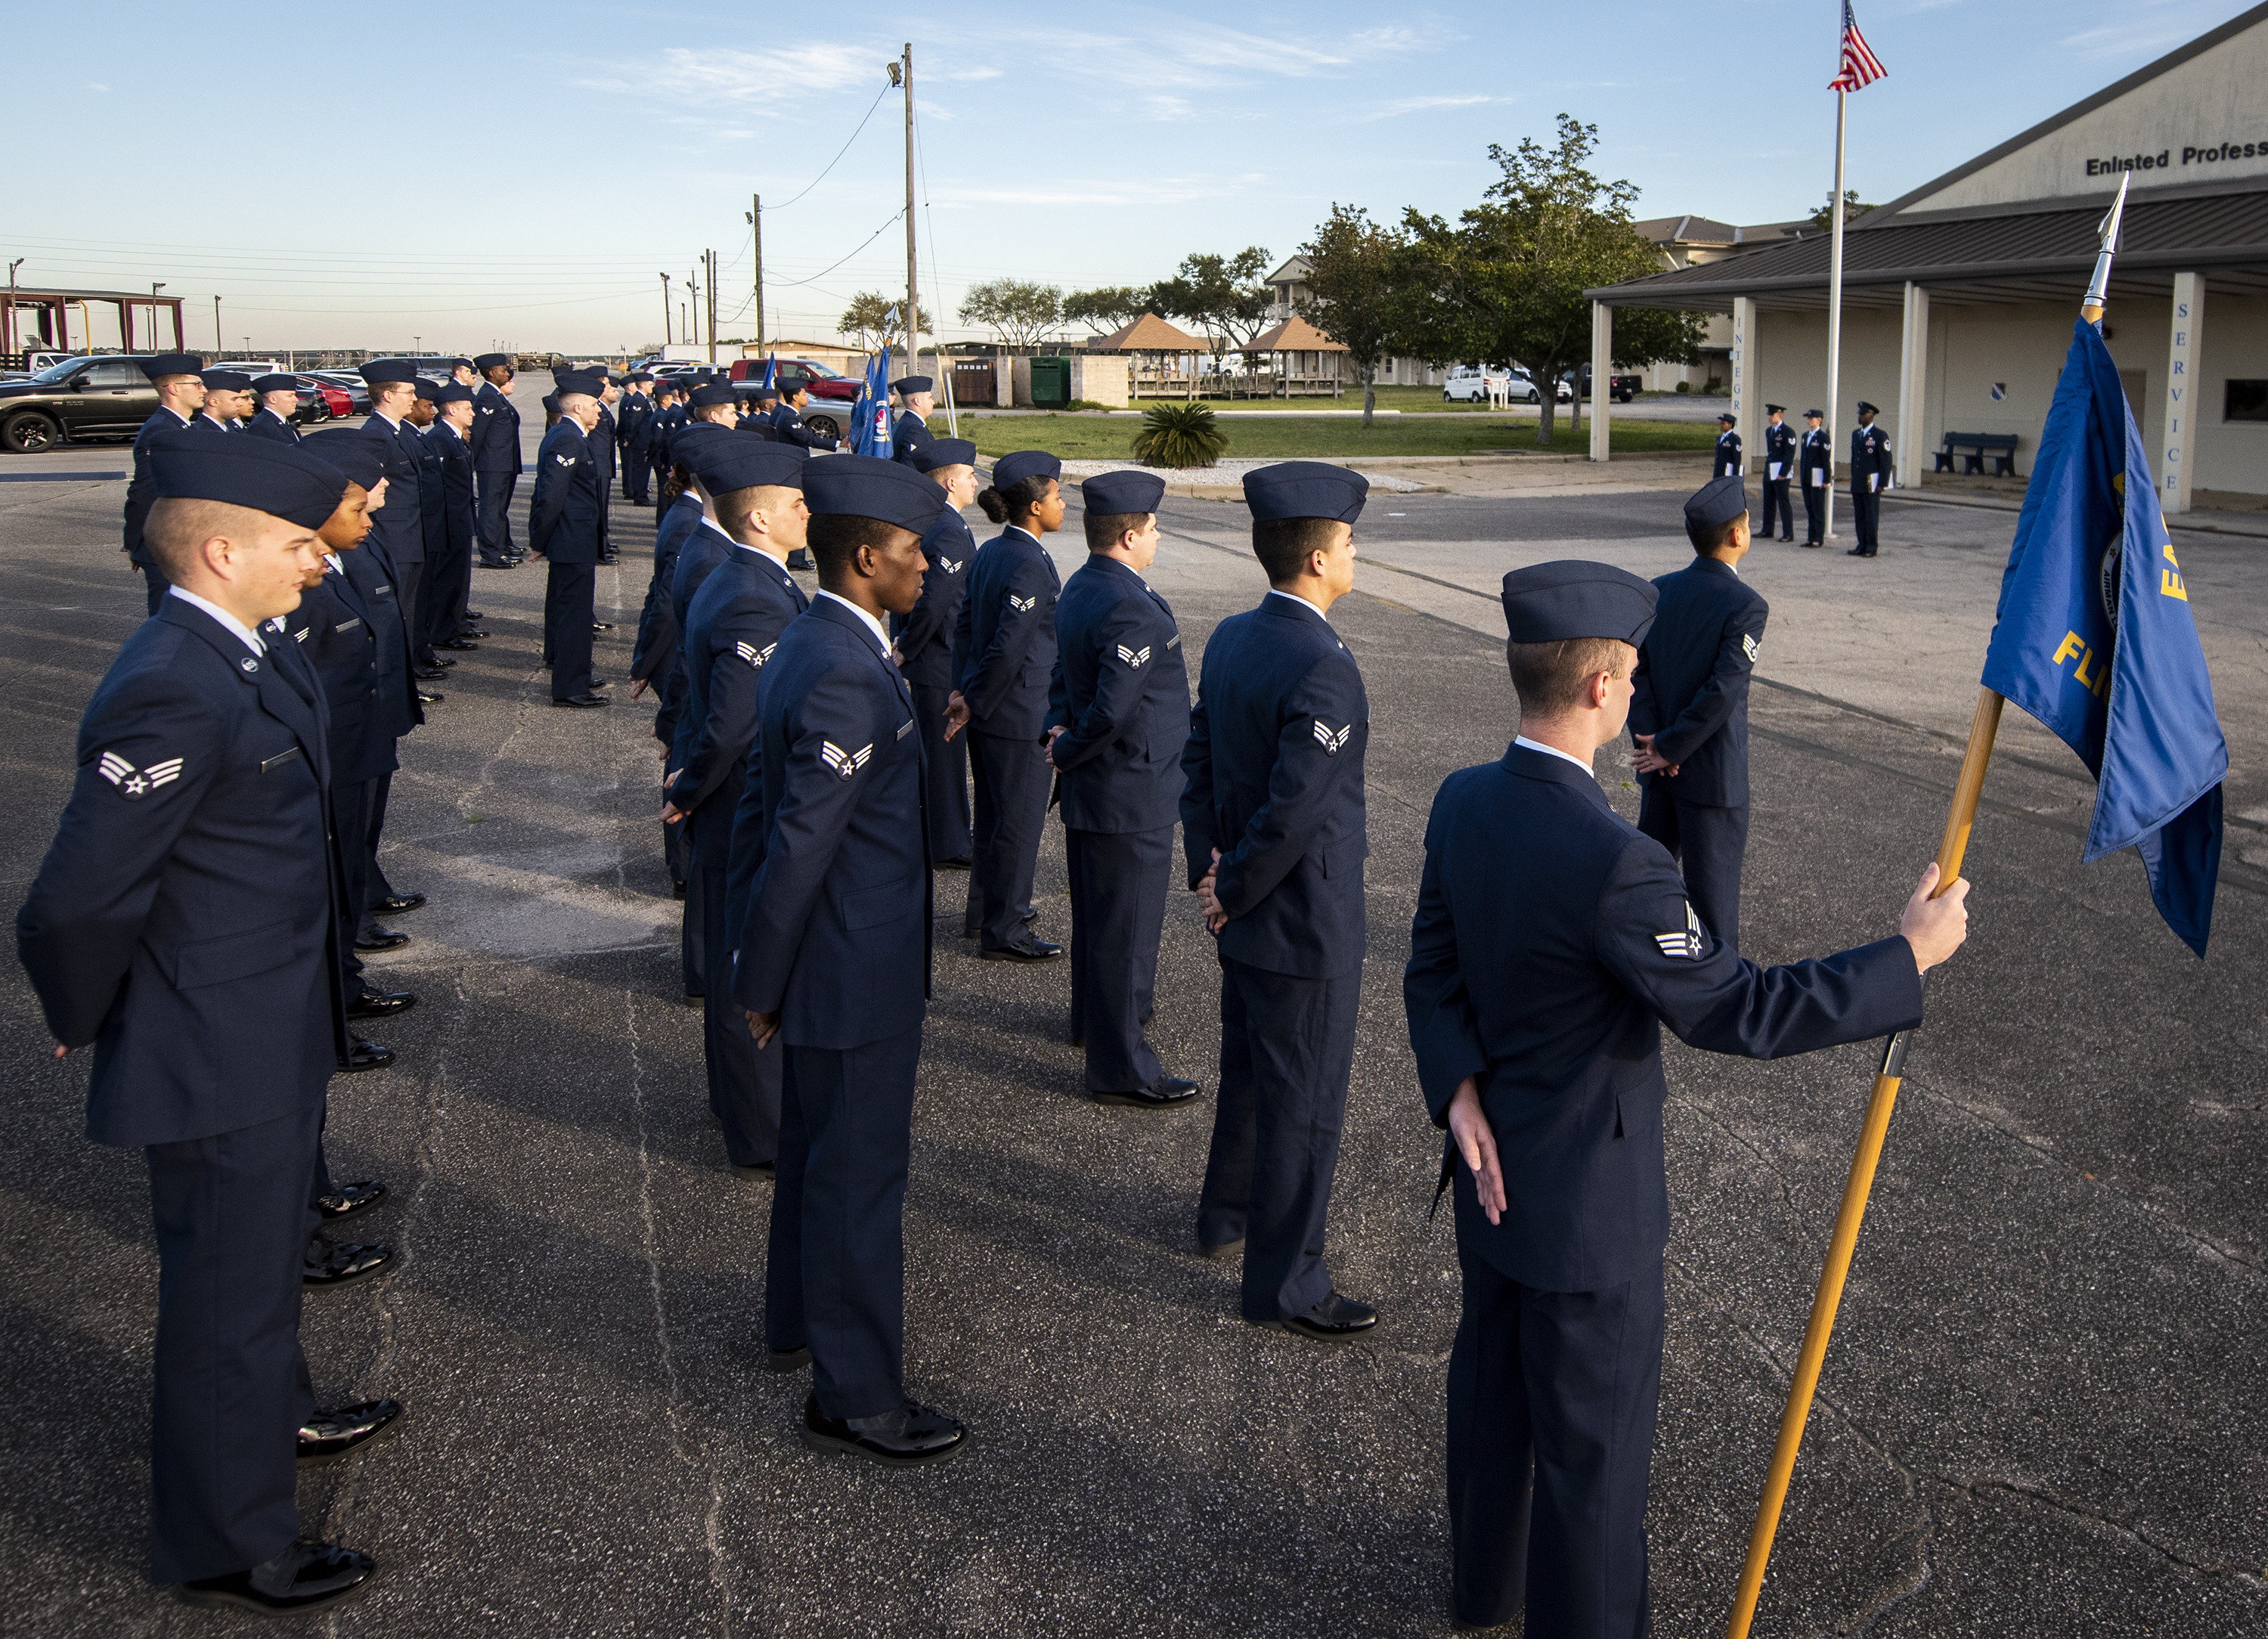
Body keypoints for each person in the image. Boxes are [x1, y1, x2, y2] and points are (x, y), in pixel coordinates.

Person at [1402, 557, 1969, 1638]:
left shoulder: (1464, 798)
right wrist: (1906, 958)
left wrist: (1456, 1090)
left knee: (1490, 1400)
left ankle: (1483, 1590)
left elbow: (1433, 967)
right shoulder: (1618, 861)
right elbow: (1732, 1010)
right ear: (1606, 688)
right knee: (1593, 1463)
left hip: (1489, 1168)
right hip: (1584, 1210)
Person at [15, 432, 397, 1616]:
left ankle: (276, 1411)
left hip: (265, 1018)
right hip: (214, 1038)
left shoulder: (243, 650)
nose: (316, 562)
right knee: (224, 1296)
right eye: (295, 545)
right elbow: (76, 896)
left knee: (258, 1267)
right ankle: (228, 1539)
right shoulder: (173, 680)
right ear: (223, 551)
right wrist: (87, 1012)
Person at [733, 454, 967, 1468]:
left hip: (833, 958)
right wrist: (764, 982)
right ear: (869, 558)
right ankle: (858, 1393)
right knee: (857, 1180)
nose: (927, 570)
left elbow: (764, 813)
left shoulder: (816, 637)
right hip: (847, 969)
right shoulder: (843, 672)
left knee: (820, 1160)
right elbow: (799, 841)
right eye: (915, 554)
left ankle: (798, 1322)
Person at [1179, 461, 1376, 1339]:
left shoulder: (1231, 635)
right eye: (1349, 542)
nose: (1355, 551)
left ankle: (1227, 1214)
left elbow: (1200, 762)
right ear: (1318, 559)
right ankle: (1287, 1282)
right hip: (1299, 923)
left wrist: (1209, 870)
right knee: (1304, 1100)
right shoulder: (1324, 666)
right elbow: (1293, 812)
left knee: (1252, 1075)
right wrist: (1234, 883)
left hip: (1246, 909)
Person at [665, 438, 810, 1174]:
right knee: (743, 968)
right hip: (740, 805)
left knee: (732, 959)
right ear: (758, 517)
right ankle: (761, 1132)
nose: (807, 512)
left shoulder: (742, 576)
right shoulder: (752, 593)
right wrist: (688, 791)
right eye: (795, 503)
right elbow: (732, 725)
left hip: (728, 801)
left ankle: (737, 1104)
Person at [1047, 470, 1200, 1110]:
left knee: (1101, 922)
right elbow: (1110, 710)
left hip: (1102, 789)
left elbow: (1064, 673)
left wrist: (1058, 730)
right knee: (1126, 928)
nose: (1159, 536)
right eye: (1156, 527)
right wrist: (1067, 744)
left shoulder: (1084, 584)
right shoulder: (1129, 604)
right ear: (1132, 535)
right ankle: (1122, 1067)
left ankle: (1100, 1020)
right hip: (1128, 789)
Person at [1629, 476, 1768, 953]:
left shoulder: (1660, 590)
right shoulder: (1746, 605)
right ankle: (1718, 1001)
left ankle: (1639, 968)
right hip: (1711, 779)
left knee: (1645, 889)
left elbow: (1638, 672)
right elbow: (1723, 689)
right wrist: (1669, 745)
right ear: (1737, 535)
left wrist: (1652, 740)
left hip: (1660, 772)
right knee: (1714, 910)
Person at [945, 451, 1064, 962]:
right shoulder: (1026, 562)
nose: (1063, 504)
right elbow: (1008, 645)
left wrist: (962, 693)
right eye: (1058, 496)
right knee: (1016, 825)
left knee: (994, 820)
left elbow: (967, 630)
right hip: (1019, 713)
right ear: (1035, 507)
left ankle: (986, 912)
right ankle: (1006, 930)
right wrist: (972, 699)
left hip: (991, 709)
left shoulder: (994, 552)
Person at [889, 438, 980, 867]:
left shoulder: (944, 523)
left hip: (937, 656)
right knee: (943, 757)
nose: (975, 481)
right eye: (969, 475)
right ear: (949, 483)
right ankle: (948, 842)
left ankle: (950, 831)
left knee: (943, 754)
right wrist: (907, 648)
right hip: (939, 659)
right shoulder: (948, 530)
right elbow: (934, 600)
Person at [528, 373, 609, 707]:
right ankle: (571, 686)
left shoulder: (568, 433)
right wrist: (539, 540)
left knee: (564, 608)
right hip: (571, 538)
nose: (599, 411)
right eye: (594, 405)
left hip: (571, 537)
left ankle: (566, 665)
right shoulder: (569, 438)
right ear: (578, 407)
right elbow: (550, 494)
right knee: (575, 614)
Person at [355, 362, 429, 694]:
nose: (414, 399)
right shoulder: (375, 434)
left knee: (407, 613)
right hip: (394, 539)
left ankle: (405, 680)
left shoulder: (399, 431)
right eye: (409, 392)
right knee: (393, 616)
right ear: (387, 395)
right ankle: (394, 687)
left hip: (411, 536)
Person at [124, 352, 206, 614]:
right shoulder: (161, 431)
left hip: (183, 540)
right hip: (165, 543)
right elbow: (145, 490)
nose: (203, 389)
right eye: (196, 384)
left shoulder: (181, 428)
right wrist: (138, 543)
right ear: (173, 388)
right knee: (167, 616)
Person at [423, 382, 482, 658]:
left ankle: (455, 623)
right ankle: (444, 631)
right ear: (451, 409)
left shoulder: (455, 437)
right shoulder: (439, 438)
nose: (473, 413)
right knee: (447, 579)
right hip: (447, 522)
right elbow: (436, 487)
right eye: (468, 408)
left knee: (458, 577)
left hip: (460, 518)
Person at [469, 352, 523, 568]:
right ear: (491, 373)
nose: (507, 373)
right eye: (503, 370)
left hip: (504, 463)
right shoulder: (487, 397)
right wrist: (471, 462)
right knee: (491, 509)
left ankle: (500, 547)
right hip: (492, 465)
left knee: (499, 509)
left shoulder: (497, 395)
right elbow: (478, 433)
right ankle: (490, 554)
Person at [1848, 400, 1893, 558]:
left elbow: (1886, 461)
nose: (1859, 417)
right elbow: (1855, 459)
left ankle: (1872, 546)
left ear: (1870, 416)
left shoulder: (1880, 435)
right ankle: (1861, 544)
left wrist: (1883, 483)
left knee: (1871, 516)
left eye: (1862, 414)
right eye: (1859, 414)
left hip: (1872, 483)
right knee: (1859, 515)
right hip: (1858, 481)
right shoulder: (1856, 434)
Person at [590, 373, 621, 565]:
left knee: (602, 508)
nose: (612, 389)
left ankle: (603, 544)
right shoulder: (595, 409)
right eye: (608, 385)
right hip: (598, 465)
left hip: (604, 464)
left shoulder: (602, 409)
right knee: (597, 509)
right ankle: (597, 549)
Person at [1759, 404, 1796, 542]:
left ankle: (1788, 533)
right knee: (1768, 501)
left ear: (1780, 416)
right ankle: (1767, 530)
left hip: (1781, 471)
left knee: (1783, 502)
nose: (1769, 417)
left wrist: (1784, 473)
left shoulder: (1788, 432)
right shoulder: (1769, 431)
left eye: (1772, 415)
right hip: (1770, 469)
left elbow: (1789, 454)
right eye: (1769, 415)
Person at [618, 370, 656, 503]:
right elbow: (633, 422)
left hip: (643, 440)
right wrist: (629, 438)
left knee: (642, 470)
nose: (652, 387)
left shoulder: (642, 399)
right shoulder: (638, 400)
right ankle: (640, 497)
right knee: (641, 470)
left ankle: (641, 495)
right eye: (650, 384)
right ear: (643, 385)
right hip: (640, 441)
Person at [1799, 407, 1830, 548]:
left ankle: (1818, 538)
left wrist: (1826, 479)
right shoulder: (1805, 436)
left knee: (1818, 509)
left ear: (1820, 420)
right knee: (1810, 508)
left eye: (1812, 419)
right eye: (1808, 418)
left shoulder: (1823, 437)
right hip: (1807, 476)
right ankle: (1810, 537)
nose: (1809, 421)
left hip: (1818, 477)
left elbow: (1825, 460)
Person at [890, 375, 937, 467]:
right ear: (917, 401)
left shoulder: (904, 422)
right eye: (930, 398)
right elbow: (912, 469)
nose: (933, 402)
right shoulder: (914, 430)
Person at [243, 374, 305, 444]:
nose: (296, 400)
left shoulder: (280, 423)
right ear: (272, 399)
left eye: (295, 395)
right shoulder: (261, 427)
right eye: (290, 396)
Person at [199, 368, 253, 432]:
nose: (240, 404)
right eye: (234, 399)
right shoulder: (203, 432)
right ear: (214, 402)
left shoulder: (226, 428)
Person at [1712, 411, 1741, 480]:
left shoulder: (1734, 439)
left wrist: (1735, 475)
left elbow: (1737, 459)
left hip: (1728, 472)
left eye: (1724, 424)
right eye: (1721, 424)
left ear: (1730, 425)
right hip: (1718, 472)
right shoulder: (1719, 438)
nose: (1721, 425)